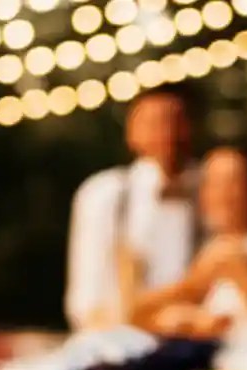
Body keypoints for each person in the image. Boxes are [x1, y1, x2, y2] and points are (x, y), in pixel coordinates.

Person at [131, 147, 247, 370]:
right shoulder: (214, 249)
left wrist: (216, 263)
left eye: (233, 183)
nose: (221, 194)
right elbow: (142, 313)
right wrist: (189, 320)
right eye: (212, 184)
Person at [65, 89, 199, 332]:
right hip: (124, 339)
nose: (167, 133)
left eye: (175, 122)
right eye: (154, 123)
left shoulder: (211, 188)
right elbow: (87, 291)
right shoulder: (104, 193)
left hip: (200, 338)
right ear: (132, 132)